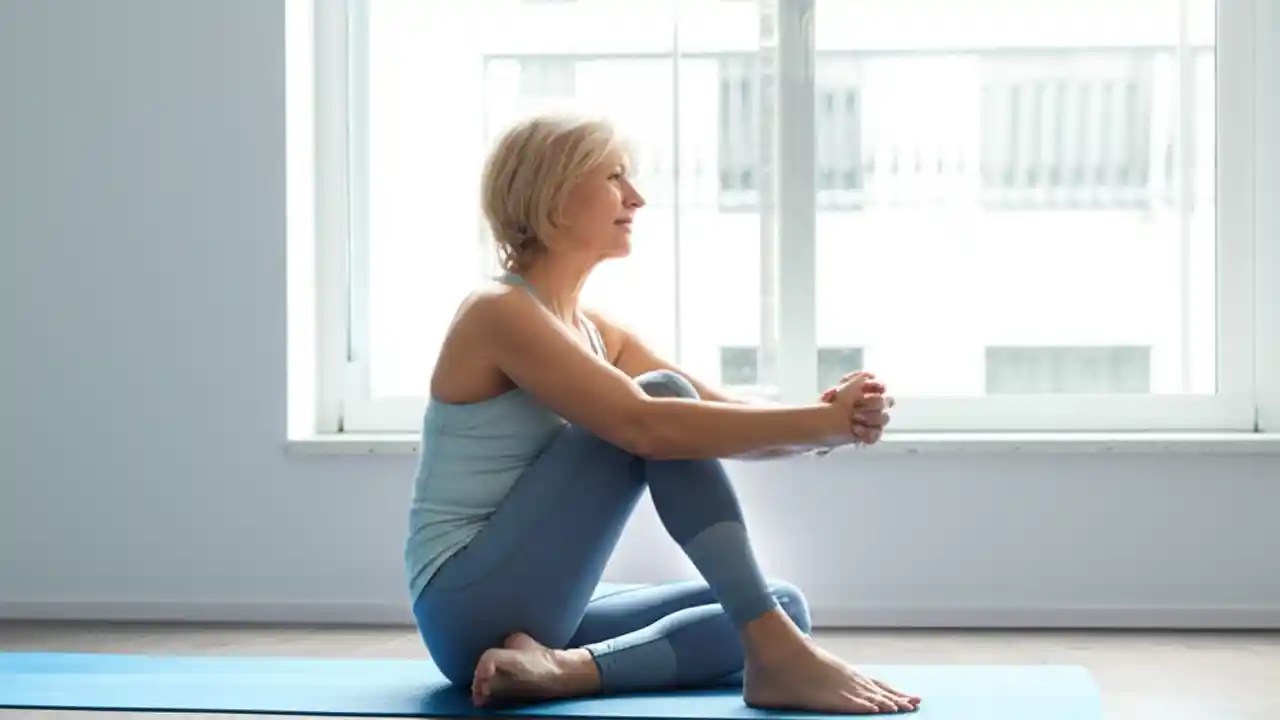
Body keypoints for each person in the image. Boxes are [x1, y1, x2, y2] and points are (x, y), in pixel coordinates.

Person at [404, 113, 917, 715]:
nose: (636, 198)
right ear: (554, 197)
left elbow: (720, 419)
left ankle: (565, 671)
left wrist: (832, 418)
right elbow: (651, 423)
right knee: (662, 406)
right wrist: (824, 425)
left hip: (539, 615)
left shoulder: (596, 332)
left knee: (780, 607)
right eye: (615, 177)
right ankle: (771, 654)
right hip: (468, 603)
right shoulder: (497, 312)